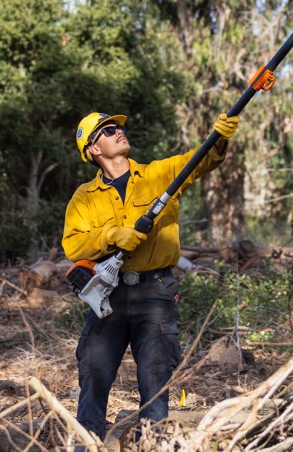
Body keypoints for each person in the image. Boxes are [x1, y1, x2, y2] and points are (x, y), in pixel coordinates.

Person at [63, 110, 239, 440]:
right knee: (93, 375)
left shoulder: (158, 174)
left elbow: (199, 161)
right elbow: (72, 245)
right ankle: (88, 445)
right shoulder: (84, 197)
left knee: (156, 378)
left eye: (118, 127)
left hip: (156, 292)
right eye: (108, 130)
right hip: (108, 297)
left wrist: (219, 138)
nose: (119, 131)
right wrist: (111, 236)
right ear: (94, 150)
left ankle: (155, 444)